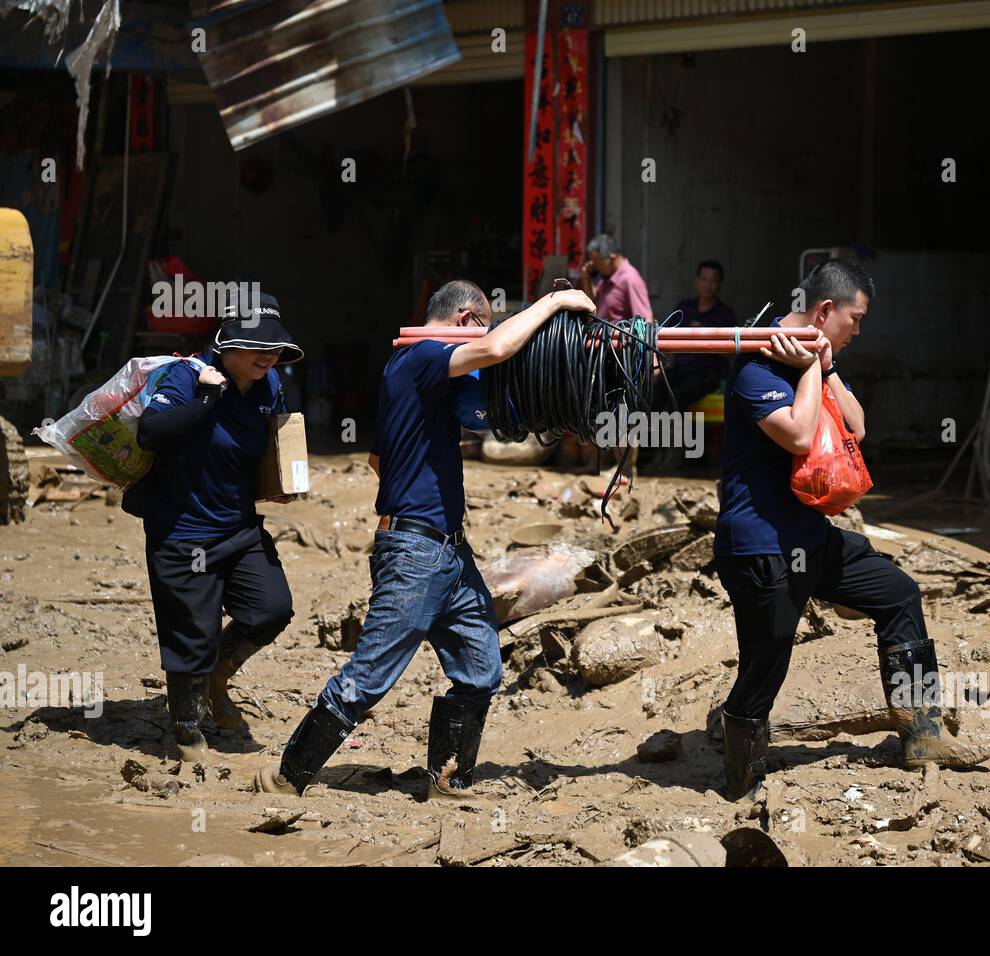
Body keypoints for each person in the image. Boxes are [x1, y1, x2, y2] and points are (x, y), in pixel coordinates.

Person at [254, 280, 597, 800]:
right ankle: (286, 777)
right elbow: (500, 347)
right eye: (479, 328)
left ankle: (448, 779)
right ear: (464, 321)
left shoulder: (415, 375)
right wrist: (554, 303)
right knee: (370, 676)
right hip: (416, 552)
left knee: (481, 670)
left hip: (447, 551)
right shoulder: (422, 357)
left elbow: (378, 460)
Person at [712, 259, 990, 800]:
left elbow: (858, 428)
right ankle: (739, 776)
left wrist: (826, 365)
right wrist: (814, 368)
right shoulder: (758, 364)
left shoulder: (810, 358)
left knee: (899, 594)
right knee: (764, 666)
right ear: (824, 311)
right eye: (855, 319)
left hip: (810, 538)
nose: (859, 331)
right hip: (760, 547)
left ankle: (923, 734)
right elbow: (797, 435)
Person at [126, 294, 303, 761]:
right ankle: (188, 734)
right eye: (255, 348)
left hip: (239, 528)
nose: (267, 357)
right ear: (225, 346)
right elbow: (152, 432)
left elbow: (277, 439)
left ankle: (217, 675)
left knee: (272, 608)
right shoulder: (186, 376)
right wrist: (209, 397)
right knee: (192, 636)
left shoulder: (271, 386)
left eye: (274, 349)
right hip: (181, 531)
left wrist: (282, 481)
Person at [656, 259, 736, 412]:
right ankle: (653, 435)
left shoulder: (725, 315)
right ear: (697, 281)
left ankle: (678, 436)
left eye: (714, 280)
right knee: (656, 389)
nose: (708, 285)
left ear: (720, 284)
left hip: (707, 375)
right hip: (681, 370)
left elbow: (731, 351)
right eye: (704, 279)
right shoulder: (684, 308)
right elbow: (663, 337)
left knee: (678, 397)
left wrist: (704, 333)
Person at [580, 233, 653, 323]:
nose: (596, 267)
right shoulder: (607, 277)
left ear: (612, 257)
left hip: (616, 336)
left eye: (598, 263)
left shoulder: (630, 279)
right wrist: (587, 279)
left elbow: (645, 320)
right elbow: (593, 304)